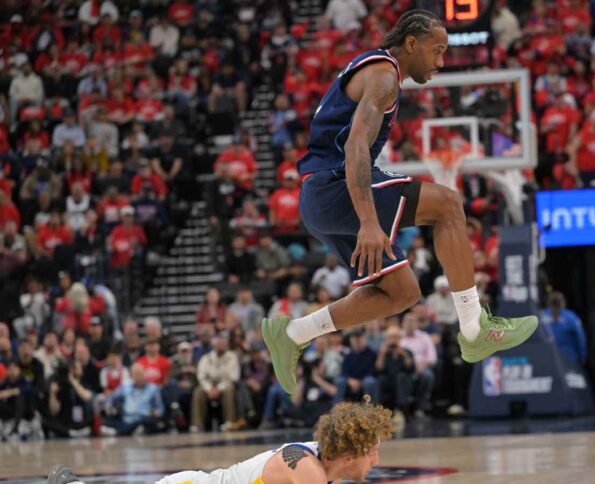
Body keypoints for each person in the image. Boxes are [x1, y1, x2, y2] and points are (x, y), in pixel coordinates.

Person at [261, 10, 537, 394]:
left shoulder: (374, 72)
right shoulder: (385, 76)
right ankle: (475, 328)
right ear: (411, 43)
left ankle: (293, 333)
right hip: (336, 188)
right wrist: (370, 223)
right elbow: (356, 146)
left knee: (402, 292)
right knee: (448, 205)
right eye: (437, 51)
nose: (441, 62)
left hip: (319, 200)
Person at [48, 399, 393, 484]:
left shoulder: (321, 467)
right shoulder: (305, 464)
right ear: (350, 454)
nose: (376, 461)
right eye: (373, 452)